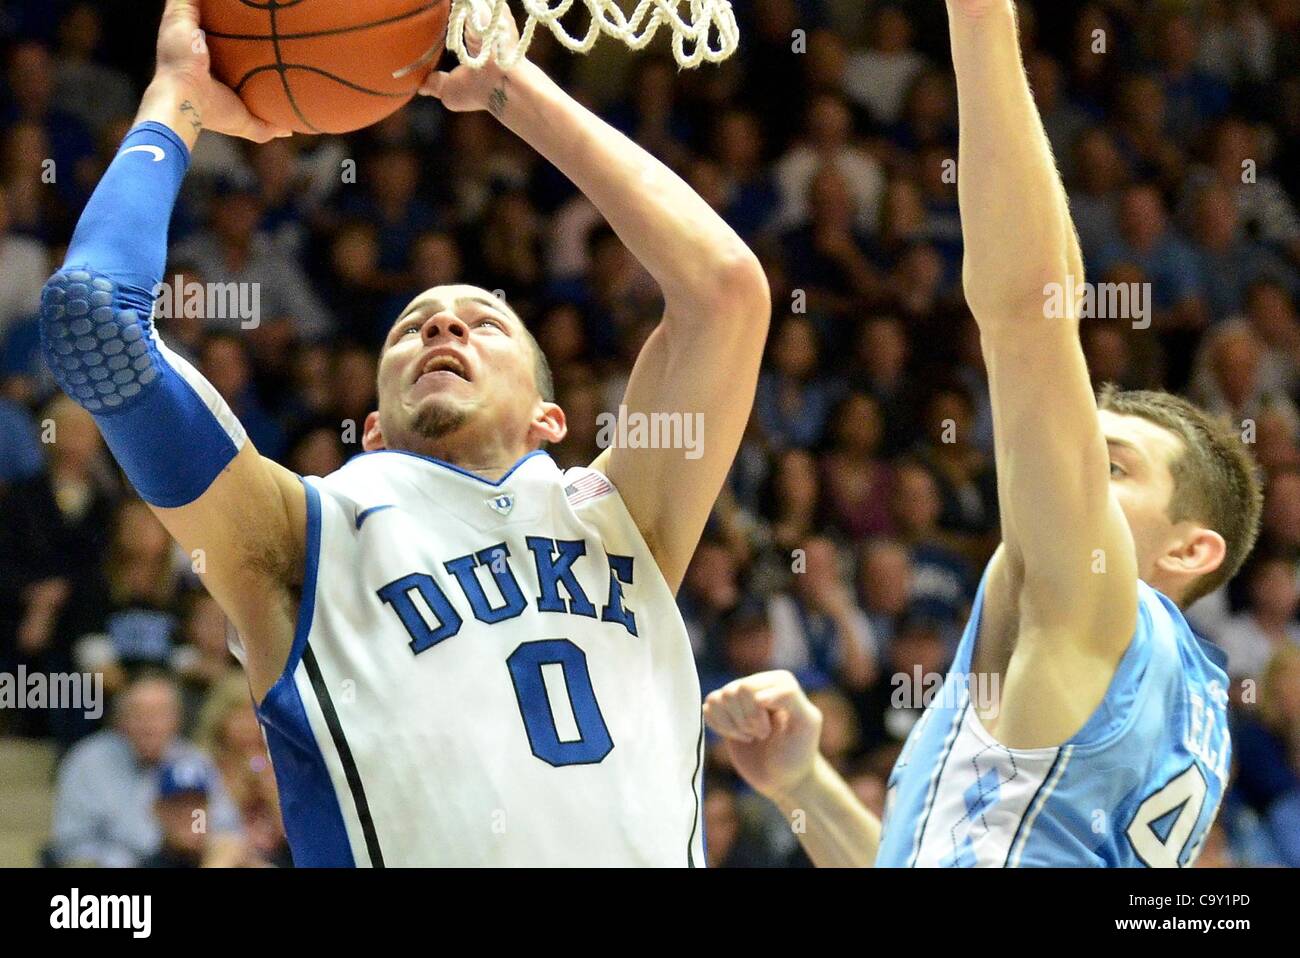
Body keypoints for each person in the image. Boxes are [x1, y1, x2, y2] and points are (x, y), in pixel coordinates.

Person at [39, 0, 769, 866]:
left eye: (482, 325)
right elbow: (95, 322)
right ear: (373, 429)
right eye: (412, 328)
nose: (444, 329)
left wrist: (513, 89)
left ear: (551, 419)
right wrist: (178, 96)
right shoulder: (302, 536)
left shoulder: (624, 515)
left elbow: (723, 291)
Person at [704, 0, 1262, 868]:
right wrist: (805, 784)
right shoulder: (1170, 706)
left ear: (1191, 551)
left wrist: (978, 20)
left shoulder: (1104, 610)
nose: (1060, 470)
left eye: (1108, 467)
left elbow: (1031, 317)